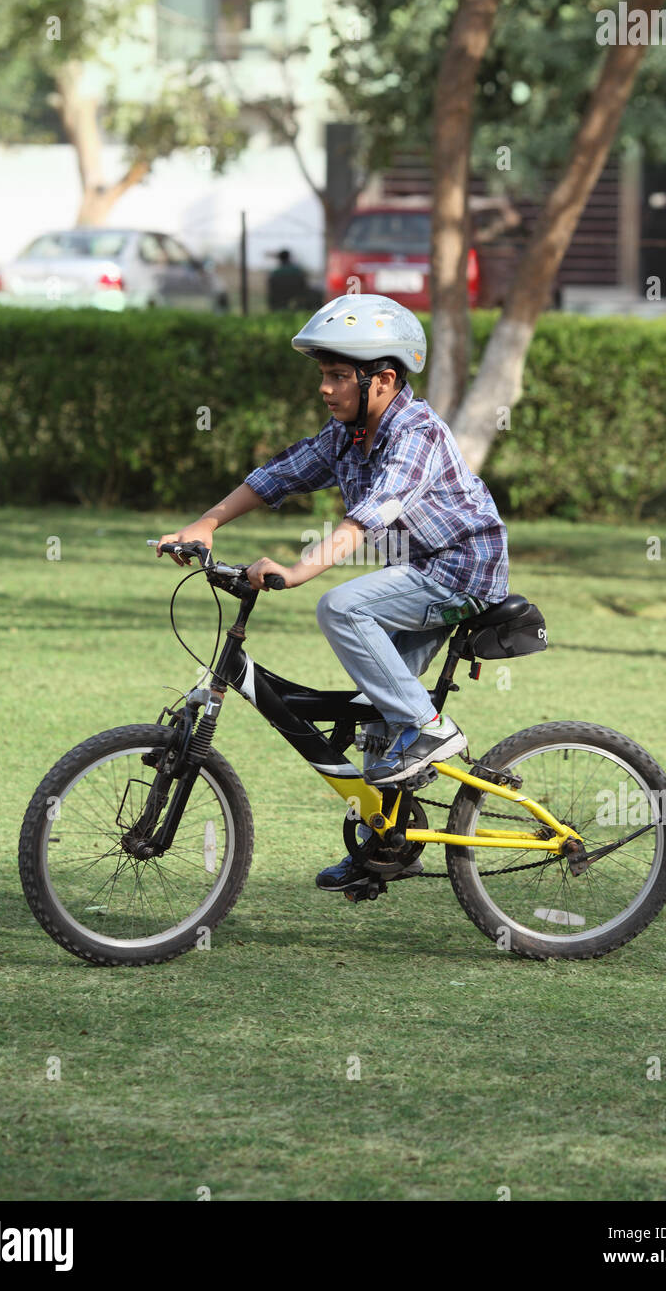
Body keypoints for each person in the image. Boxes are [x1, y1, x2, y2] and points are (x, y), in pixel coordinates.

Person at [157, 293, 509, 891]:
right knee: (375, 709)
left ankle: (430, 730)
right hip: (418, 570)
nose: (325, 387)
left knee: (341, 606)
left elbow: (369, 517)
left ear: (384, 379)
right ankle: (385, 845)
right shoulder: (347, 434)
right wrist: (208, 523)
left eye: (339, 376)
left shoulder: (415, 433)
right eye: (323, 375)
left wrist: (296, 572)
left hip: (461, 570)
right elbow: (280, 475)